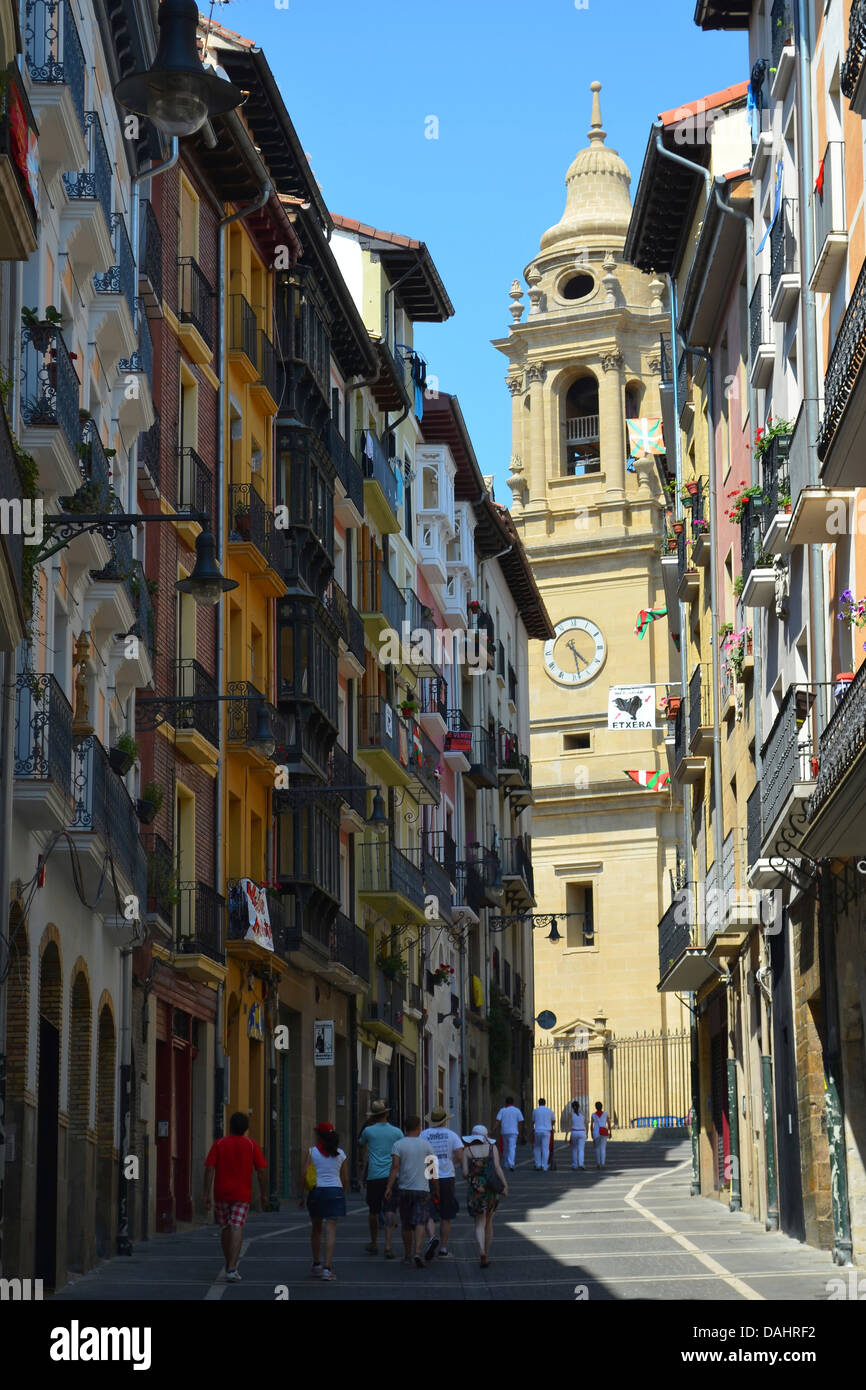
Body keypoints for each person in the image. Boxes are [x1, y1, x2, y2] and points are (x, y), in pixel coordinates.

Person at [203, 1111, 268, 1283]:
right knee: (237, 1226)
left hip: (221, 1192)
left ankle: (228, 1263)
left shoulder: (219, 1143)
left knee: (225, 1227)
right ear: (246, 1128)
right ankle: (232, 1268)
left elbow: (209, 1169)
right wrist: (263, 1194)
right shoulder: (252, 1145)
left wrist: (206, 1194)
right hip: (242, 1194)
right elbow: (261, 1171)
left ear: (230, 1126)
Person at [384, 1115, 439, 1268]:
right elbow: (432, 1171)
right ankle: (418, 1252)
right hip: (422, 1189)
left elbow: (395, 1167)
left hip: (404, 1189)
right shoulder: (427, 1145)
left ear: (405, 1128)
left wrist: (389, 1187)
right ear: (419, 1127)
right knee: (420, 1221)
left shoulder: (398, 1145)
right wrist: (436, 1188)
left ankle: (408, 1255)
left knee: (406, 1224)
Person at [300, 1121, 347, 1281]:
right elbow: (344, 1177)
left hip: (317, 1192)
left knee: (316, 1229)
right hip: (335, 1191)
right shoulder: (340, 1153)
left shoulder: (312, 1151)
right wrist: (342, 1192)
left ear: (319, 1136)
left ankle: (316, 1264)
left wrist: (302, 1195)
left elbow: (304, 1173)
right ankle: (327, 1268)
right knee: (331, 1230)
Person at [358, 1100, 403, 1258]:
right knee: (390, 1210)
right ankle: (388, 1247)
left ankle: (374, 1242)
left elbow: (361, 1143)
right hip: (391, 1176)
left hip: (374, 1176)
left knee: (373, 1211)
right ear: (387, 1113)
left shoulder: (368, 1131)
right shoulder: (397, 1132)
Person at [419, 1106, 464, 1259]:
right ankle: (443, 1248)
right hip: (447, 1177)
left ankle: (432, 1237)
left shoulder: (424, 1134)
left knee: (428, 1211)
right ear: (445, 1121)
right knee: (446, 1215)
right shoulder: (452, 1135)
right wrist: (451, 1163)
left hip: (428, 1176)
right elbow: (459, 1154)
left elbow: (420, 1153)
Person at [461, 1124, 508, 1268]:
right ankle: (487, 1253)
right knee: (489, 1223)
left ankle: (481, 1250)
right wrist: (504, 1185)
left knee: (479, 1223)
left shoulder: (467, 1150)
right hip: (491, 1188)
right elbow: (497, 1168)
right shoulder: (491, 1148)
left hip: (476, 1189)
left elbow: (464, 1173)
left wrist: (474, 1177)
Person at [495, 1096, 525, 1170]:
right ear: (513, 1102)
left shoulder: (502, 1110)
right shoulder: (517, 1110)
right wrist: (520, 1133)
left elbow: (497, 1121)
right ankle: (511, 1163)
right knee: (512, 1147)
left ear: (506, 1102)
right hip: (514, 1131)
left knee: (505, 1148)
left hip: (504, 1131)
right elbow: (520, 1122)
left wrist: (493, 1129)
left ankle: (506, 1163)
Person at [532, 1096, 556, 1171]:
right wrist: (550, 1125)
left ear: (538, 1103)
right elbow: (553, 1120)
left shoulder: (535, 1111)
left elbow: (533, 1121)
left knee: (537, 1148)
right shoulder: (549, 1110)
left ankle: (537, 1165)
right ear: (545, 1103)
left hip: (538, 1130)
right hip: (546, 1131)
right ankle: (544, 1166)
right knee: (546, 1148)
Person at [591, 1100, 611, 1169]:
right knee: (603, 1148)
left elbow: (591, 1126)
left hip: (596, 1131)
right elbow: (608, 1123)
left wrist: (591, 1134)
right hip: (604, 1131)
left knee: (597, 1148)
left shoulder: (593, 1115)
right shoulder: (605, 1114)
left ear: (596, 1107)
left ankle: (598, 1164)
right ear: (602, 1107)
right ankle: (603, 1163)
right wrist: (610, 1132)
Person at [568, 1101, 587, 1170]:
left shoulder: (571, 1114)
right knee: (581, 1149)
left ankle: (574, 1164)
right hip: (582, 1132)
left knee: (574, 1149)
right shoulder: (583, 1113)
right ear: (579, 1106)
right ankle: (581, 1163)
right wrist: (586, 1133)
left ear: (572, 1107)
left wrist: (567, 1135)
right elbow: (586, 1123)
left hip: (574, 1132)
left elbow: (569, 1125)